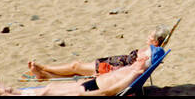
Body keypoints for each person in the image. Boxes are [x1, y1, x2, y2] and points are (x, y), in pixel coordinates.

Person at [26, 26, 170, 82]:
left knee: (75, 66)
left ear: (156, 41)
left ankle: (44, 68)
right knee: (77, 69)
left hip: (110, 68)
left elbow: (132, 69)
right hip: (113, 62)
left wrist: (109, 73)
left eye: (150, 36)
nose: (147, 37)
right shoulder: (152, 51)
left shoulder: (150, 53)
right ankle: (45, 75)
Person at [0, 50, 154, 97]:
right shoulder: (132, 69)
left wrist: (89, 94)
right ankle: (10, 91)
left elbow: (110, 92)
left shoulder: (133, 73)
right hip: (90, 84)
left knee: (47, 92)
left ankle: (6, 95)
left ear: (144, 61)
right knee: (50, 88)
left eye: (142, 56)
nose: (138, 55)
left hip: (90, 92)